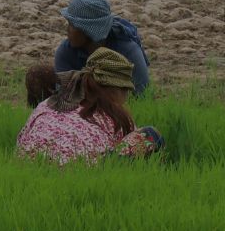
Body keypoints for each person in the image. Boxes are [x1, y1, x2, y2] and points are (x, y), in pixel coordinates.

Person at [17, 47, 162, 166]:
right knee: (150, 135)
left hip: (27, 169)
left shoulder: (48, 103)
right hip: (78, 175)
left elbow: (21, 140)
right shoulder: (114, 116)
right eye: (126, 91)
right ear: (117, 89)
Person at [26, 0, 150, 107]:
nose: (67, 29)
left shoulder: (128, 50)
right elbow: (66, 98)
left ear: (88, 30)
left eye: (72, 25)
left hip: (115, 108)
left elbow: (141, 95)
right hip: (80, 109)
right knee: (37, 74)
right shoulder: (66, 51)